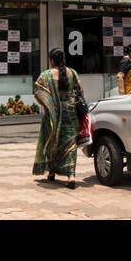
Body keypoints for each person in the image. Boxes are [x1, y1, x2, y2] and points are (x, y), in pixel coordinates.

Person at [33, 47, 84, 189]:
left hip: (53, 114)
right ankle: (71, 175)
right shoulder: (73, 73)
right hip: (71, 112)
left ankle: (51, 172)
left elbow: (38, 93)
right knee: (70, 144)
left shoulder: (45, 75)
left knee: (52, 142)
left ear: (52, 60)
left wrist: (47, 105)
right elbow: (80, 90)